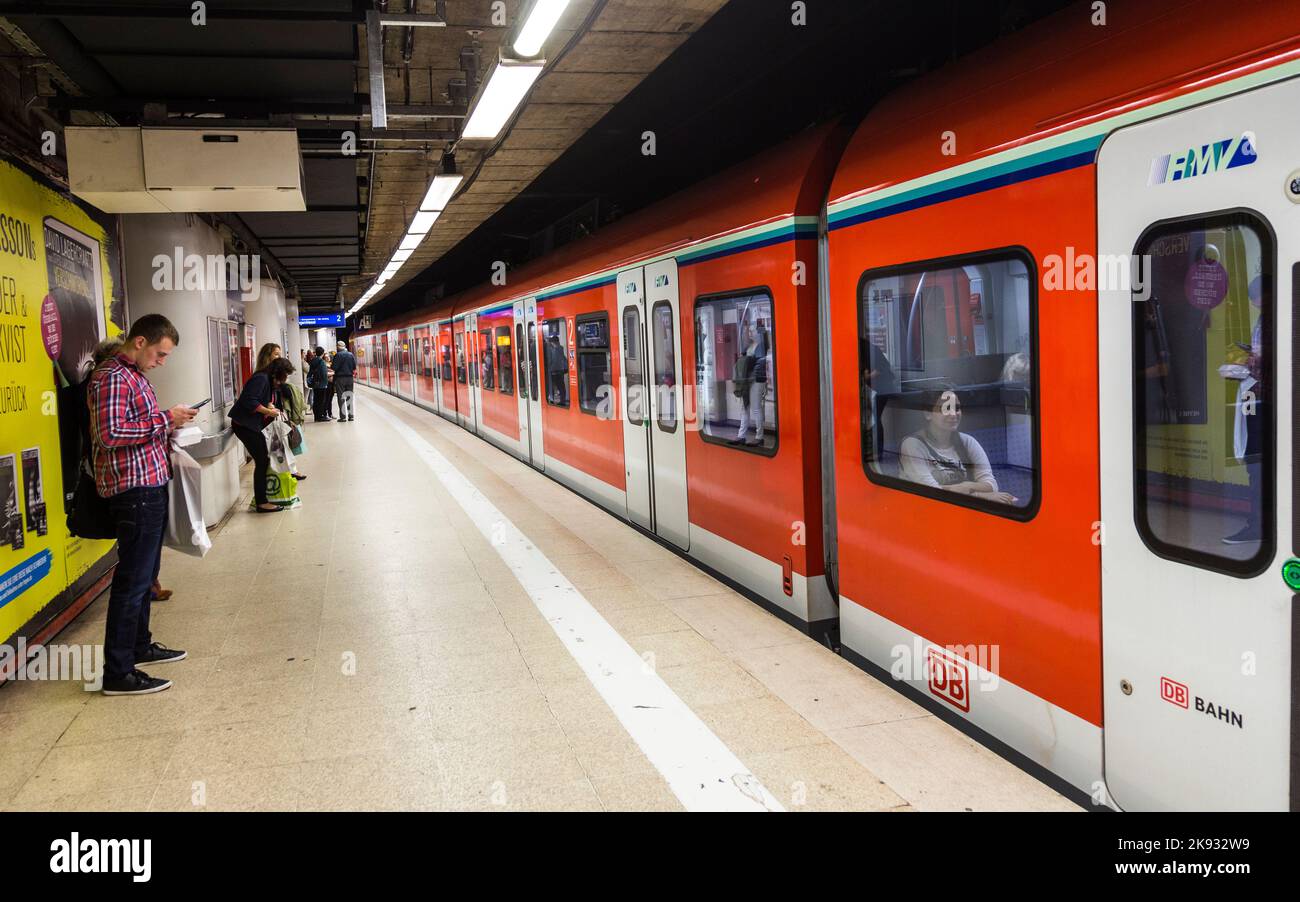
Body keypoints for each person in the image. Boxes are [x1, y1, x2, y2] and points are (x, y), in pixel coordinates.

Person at [87, 314, 194, 696]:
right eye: (160, 353)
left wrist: (170, 423)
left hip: (148, 485)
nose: (162, 361)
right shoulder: (113, 376)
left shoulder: (131, 375)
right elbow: (110, 434)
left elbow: (136, 424)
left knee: (146, 575)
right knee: (132, 582)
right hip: (133, 492)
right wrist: (166, 418)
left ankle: (139, 644)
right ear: (140, 342)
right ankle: (118, 672)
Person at [899, 386, 1017, 505]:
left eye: (957, 408)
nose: (953, 414)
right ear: (928, 414)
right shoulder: (912, 445)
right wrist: (979, 495)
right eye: (945, 408)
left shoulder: (968, 442)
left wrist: (966, 486)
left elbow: (991, 485)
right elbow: (932, 491)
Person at [231, 357, 296, 513]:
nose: (282, 382)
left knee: (263, 459)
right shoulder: (260, 379)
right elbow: (249, 401)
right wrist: (269, 411)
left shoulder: (266, 379)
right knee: (262, 460)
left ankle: (262, 499)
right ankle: (262, 502)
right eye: (282, 377)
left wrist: (269, 406)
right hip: (244, 425)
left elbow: (262, 399)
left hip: (251, 425)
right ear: (276, 373)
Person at [730, 320, 770, 446]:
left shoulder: (761, 347)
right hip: (747, 380)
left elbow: (757, 364)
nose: (750, 333)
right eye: (749, 331)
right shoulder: (750, 346)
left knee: (756, 408)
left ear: (759, 333)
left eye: (752, 331)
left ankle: (759, 436)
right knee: (745, 408)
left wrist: (746, 366)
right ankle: (741, 435)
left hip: (756, 380)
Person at [331, 339, 357, 421]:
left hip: (340, 378)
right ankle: (351, 415)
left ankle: (343, 417)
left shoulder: (338, 355)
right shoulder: (350, 355)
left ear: (338, 347)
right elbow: (354, 367)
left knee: (341, 398)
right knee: (349, 396)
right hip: (350, 378)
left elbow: (334, 367)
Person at [309, 346, 332, 421]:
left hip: (315, 384)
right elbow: (323, 374)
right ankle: (320, 416)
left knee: (316, 400)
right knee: (321, 401)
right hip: (321, 384)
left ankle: (316, 416)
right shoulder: (321, 361)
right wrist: (326, 382)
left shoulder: (313, 360)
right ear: (322, 353)